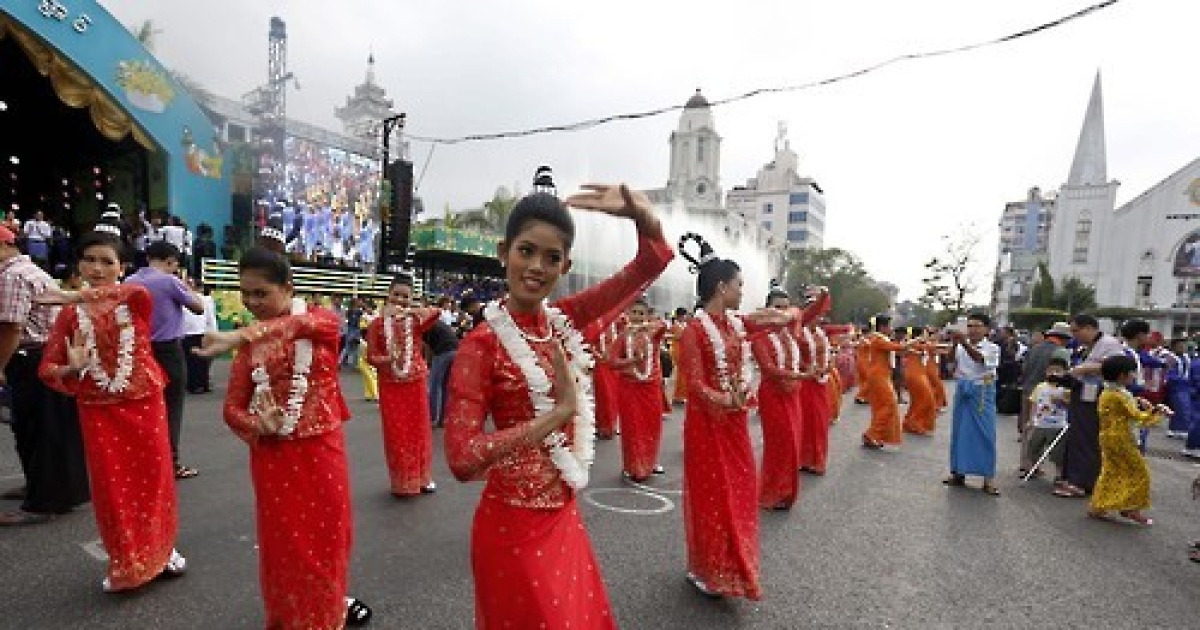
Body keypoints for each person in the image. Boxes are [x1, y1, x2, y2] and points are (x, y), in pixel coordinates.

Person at [445, 183, 672, 628]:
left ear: (565, 265)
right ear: (503, 251)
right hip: (511, 527)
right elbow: (461, 458)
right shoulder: (480, 346)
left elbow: (648, 264)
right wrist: (557, 415)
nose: (536, 267)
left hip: (563, 518)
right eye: (526, 251)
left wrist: (643, 218)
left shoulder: (564, 319)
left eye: (552, 258)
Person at [196, 246, 373, 627]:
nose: (252, 302)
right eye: (245, 294)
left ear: (289, 289)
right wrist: (256, 425)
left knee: (329, 538)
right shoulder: (247, 352)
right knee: (285, 547)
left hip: (323, 449)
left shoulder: (320, 321)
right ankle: (294, 616)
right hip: (274, 458)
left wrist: (243, 334)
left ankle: (330, 607)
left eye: (261, 293)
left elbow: (301, 327)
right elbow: (231, 410)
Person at [37, 229, 186, 591]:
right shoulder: (70, 317)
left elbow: (133, 291)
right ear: (78, 264)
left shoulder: (134, 299)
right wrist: (72, 368)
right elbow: (47, 369)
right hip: (98, 408)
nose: (97, 267)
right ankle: (127, 561)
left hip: (144, 401)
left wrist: (73, 294)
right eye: (89, 259)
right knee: (113, 488)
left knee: (154, 479)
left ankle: (162, 550)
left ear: (122, 267)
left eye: (107, 261)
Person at [676, 233, 792, 599]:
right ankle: (707, 567)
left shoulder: (737, 323)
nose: (743, 291)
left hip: (735, 424)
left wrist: (798, 309)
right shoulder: (694, 331)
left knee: (740, 494)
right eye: (739, 284)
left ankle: (732, 564)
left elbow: (775, 318)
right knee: (712, 497)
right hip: (706, 426)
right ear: (721, 286)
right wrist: (726, 399)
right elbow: (693, 385)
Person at [0, 224, 89, 525]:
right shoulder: (32, 269)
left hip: (32, 357)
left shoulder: (11, 276)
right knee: (51, 429)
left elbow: (11, 328)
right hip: (51, 354)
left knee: (36, 429)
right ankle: (50, 489)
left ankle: (43, 501)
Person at [126, 240, 204, 480]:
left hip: (138, 350)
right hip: (168, 351)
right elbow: (198, 307)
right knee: (171, 407)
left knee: (142, 407)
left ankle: (141, 459)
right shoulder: (170, 281)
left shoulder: (129, 281)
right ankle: (170, 462)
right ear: (171, 262)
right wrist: (186, 285)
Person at [366, 276, 440, 496]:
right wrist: (388, 360)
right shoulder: (376, 324)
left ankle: (423, 478)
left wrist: (407, 312)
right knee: (397, 434)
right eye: (396, 294)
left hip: (415, 381)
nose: (400, 299)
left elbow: (435, 312)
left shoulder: (414, 321)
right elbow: (371, 356)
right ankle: (403, 482)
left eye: (405, 296)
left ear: (412, 298)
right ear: (388, 294)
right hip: (391, 386)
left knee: (420, 432)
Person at [1087, 354, 1169, 525]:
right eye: (1132, 373)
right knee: (1139, 473)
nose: (1134, 376)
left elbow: (1127, 409)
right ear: (1121, 375)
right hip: (1121, 439)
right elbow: (1138, 417)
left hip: (1109, 438)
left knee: (1112, 472)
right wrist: (1159, 412)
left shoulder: (1110, 392)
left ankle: (1100, 505)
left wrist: (1139, 402)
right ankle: (1131, 508)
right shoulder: (1118, 395)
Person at [1058, 314, 1126, 498]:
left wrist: (1085, 369)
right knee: (1077, 436)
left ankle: (1081, 482)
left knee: (1087, 439)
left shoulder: (1109, 344)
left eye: (1076, 331)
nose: (1074, 335)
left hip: (1097, 395)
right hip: (1082, 393)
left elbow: (1117, 366)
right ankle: (1073, 477)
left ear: (1089, 327)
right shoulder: (1085, 346)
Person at [750, 288, 807, 508]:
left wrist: (822, 295)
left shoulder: (791, 332)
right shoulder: (759, 336)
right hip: (772, 395)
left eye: (785, 307)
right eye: (776, 307)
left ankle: (785, 493)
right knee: (778, 445)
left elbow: (801, 313)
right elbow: (769, 369)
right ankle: (772, 492)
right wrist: (801, 375)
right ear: (767, 309)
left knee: (793, 444)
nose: (781, 313)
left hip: (794, 394)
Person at [608, 298, 668, 482]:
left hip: (650, 388)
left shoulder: (653, 333)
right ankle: (633, 466)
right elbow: (612, 361)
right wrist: (631, 362)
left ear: (647, 315)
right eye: (634, 312)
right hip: (630, 387)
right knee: (632, 428)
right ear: (627, 314)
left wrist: (645, 327)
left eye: (641, 313)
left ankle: (649, 463)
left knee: (652, 427)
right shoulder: (622, 336)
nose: (637, 316)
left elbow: (664, 325)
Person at [943, 312, 1002, 496]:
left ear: (986, 329)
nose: (973, 330)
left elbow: (980, 359)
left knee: (985, 433)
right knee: (960, 432)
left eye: (977, 326)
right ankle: (958, 473)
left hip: (982, 392)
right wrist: (954, 343)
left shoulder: (992, 348)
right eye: (970, 326)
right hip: (963, 390)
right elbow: (951, 362)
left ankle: (988, 478)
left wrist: (964, 343)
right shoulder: (960, 346)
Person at [1017, 322, 1071, 475]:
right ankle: (1051, 468)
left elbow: (1024, 369)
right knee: (1048, 429)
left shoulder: (1034, 348)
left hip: (1029, 390)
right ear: (1064, 338)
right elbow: (1066, 373)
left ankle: (1027, 464)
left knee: (1030, 427)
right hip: (1049, 394)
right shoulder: (1062, 352)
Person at [793, 291, 835, 474]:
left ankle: (816, 458)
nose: (819, 317)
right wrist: (807, 368)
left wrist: (828, 366)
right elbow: (794, 357)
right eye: (816, 312)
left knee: (820, 421)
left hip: (821, 382)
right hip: (805, 383)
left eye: (821, 314)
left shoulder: (820, 333)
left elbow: (827, 353)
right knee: (807, 421)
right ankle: (804, 458)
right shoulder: (798, 332)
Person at [860, 315, 909, 450]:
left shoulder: (881, 339)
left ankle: (875, 435)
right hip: (878, 376)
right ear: (883, 327)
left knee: (882, 405)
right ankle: (871, 434)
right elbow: (898, 347)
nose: (891, 329)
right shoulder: (878, 340)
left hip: (883, 375)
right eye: (889, 326)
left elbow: (898, 349)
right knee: (889, 404)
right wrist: (916, 341)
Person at [1024, 356, 1071, 486]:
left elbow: (1069, 405)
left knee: (1058, 452)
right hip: (1040, 423)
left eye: (1058, 371)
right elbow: (1034, 403)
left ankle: (1059, 474)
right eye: (1050, 370)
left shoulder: (1065, 389)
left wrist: (1062, 401)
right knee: (1033, 447)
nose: (1053, 373)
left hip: (1058, 425)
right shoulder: (1040, 387)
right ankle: (1035, 467)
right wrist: (1031, 420)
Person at [589, 319, 624, 440]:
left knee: (614, 395)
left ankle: (613, 425)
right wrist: (598, 356)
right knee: (603, 395)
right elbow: (588, 342)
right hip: (601, 364)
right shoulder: (594, 322)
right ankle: (604, 426)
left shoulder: (618, 320)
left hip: (614, 365)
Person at [181, 279, 218, 394]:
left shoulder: (190, 298)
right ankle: (201, 383)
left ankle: (195, 384)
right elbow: (210, 317)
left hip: (191, 331)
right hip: (197, 331)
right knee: (201, 360)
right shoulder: (204, 299)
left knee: (192, 361)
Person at [423, 314, 459, 429]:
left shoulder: (425, 326)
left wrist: (427, 364)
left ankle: (432, 418)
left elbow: (427, 348)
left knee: (434, 386)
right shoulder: (439, 323)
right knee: (445, 386)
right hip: (455, 349)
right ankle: (443, 419)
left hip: (443, 352)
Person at [901, 328, 938, 436]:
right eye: (926, 333)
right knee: (927, 399)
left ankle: (909, 422)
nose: (928, 335)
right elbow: (933, 347)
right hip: (915, 374)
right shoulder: (915, 344)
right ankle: (914, 423)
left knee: (918, 400)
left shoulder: (920, 344)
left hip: (918, 373)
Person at [669, 307, 690, 404]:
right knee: (677, 373)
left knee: (683, 373)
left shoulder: (684, 325)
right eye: (684, 315)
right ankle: (676, 395)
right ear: (679, 316)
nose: (685, 317)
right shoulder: (675, 325)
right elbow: (675, 336)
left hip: (684, 349)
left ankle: (681, 395)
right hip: (677, 349)